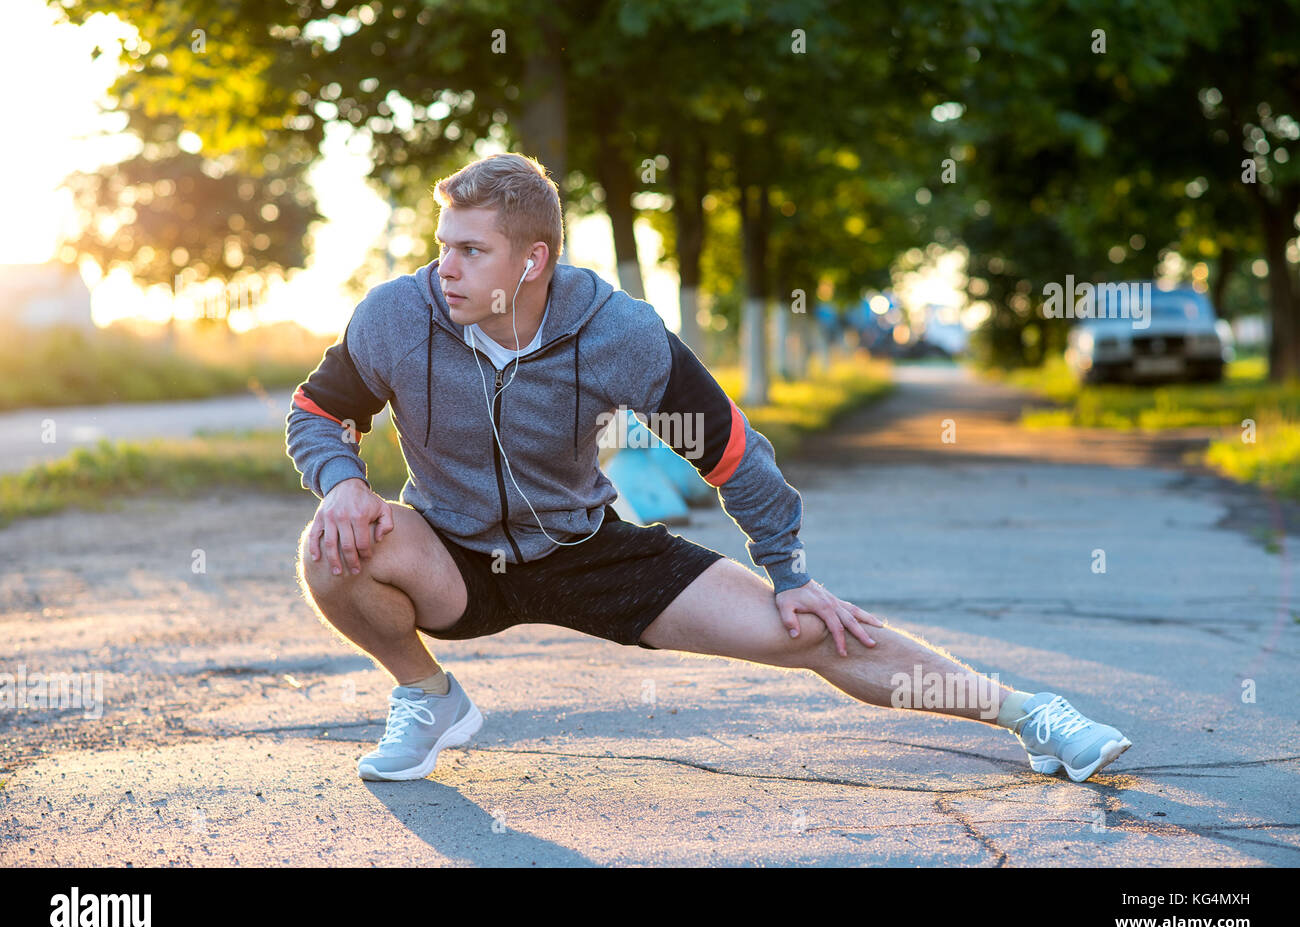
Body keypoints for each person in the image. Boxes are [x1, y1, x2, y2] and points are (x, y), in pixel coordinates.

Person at [285, 153, 1132, 785]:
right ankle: (428, 695)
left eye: (470, 250)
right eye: (443, 246)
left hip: (589, 553)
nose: (446, 267)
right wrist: (345, 482)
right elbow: (318, 411)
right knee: (333, 547)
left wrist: (789, 569)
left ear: (532, 260)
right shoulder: (398, 316)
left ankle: (1032, 716)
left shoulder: (618, 332)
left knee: (808, 629)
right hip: (454, 553)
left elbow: (730, 451)